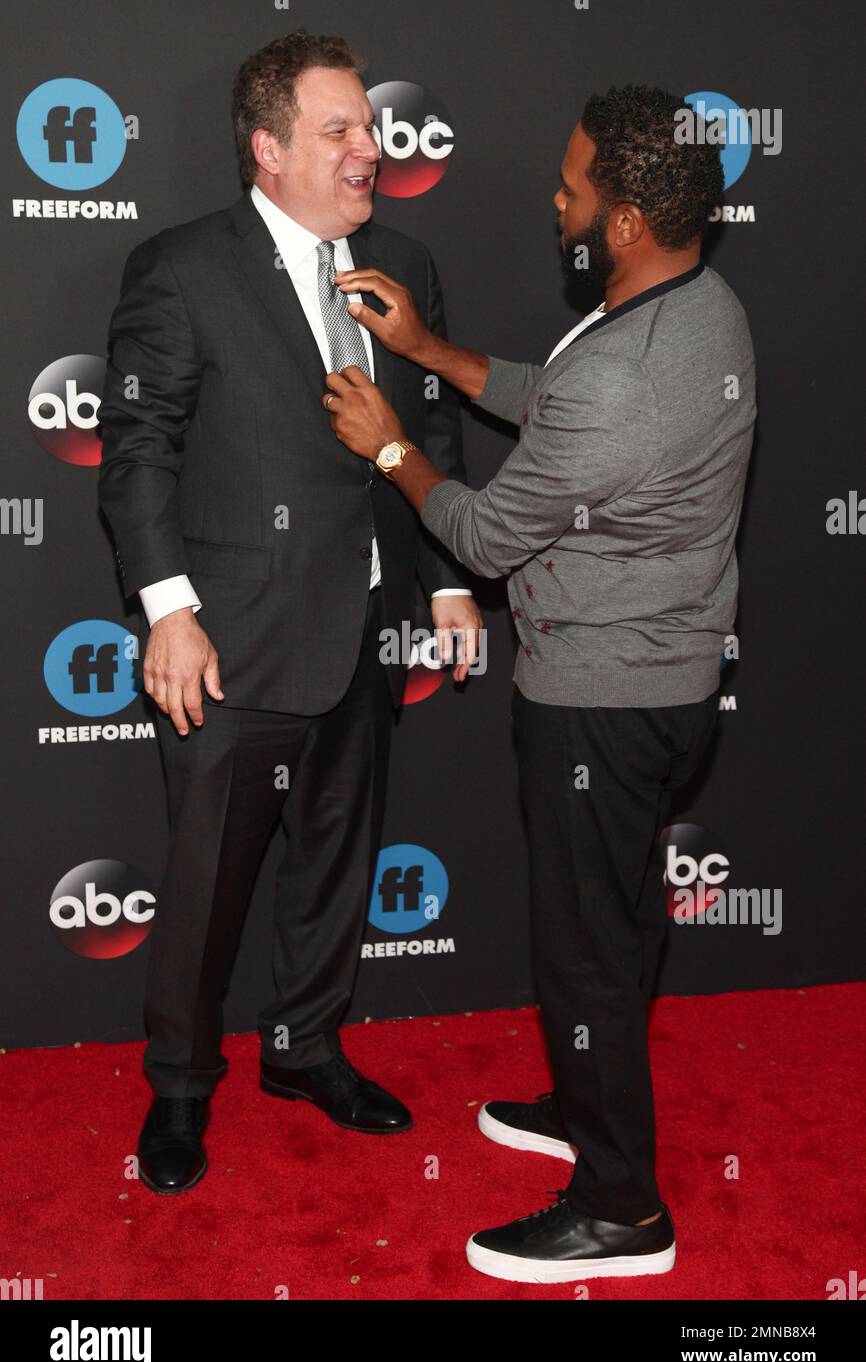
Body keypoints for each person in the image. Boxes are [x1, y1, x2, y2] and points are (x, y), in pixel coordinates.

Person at [322, 84, 756, 1282]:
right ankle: (586, 1100)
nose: (554, 197)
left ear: (620, 219)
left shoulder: (632, 369)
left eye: (571, 185)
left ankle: (622, 1208)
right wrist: (424, 353)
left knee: (584, 957)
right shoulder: (692, 302)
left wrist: (390, 442)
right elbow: (555, 405)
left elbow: (481, 533)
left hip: (601, 703)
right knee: (612, 927)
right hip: (659, 684)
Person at [97, 30, 482, 1195]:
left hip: (364, 630)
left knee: (336, 862)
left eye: (368, 125)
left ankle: (304, 1047)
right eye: (341, 130)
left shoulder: (403, 259)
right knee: (208, 883)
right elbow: (137, 453)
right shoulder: (183, 268)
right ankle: (177, 1087)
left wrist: (451, 578)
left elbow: (430, 426)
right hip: (230, 644)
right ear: (267, 150)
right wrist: (168, 609)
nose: (373, 147)